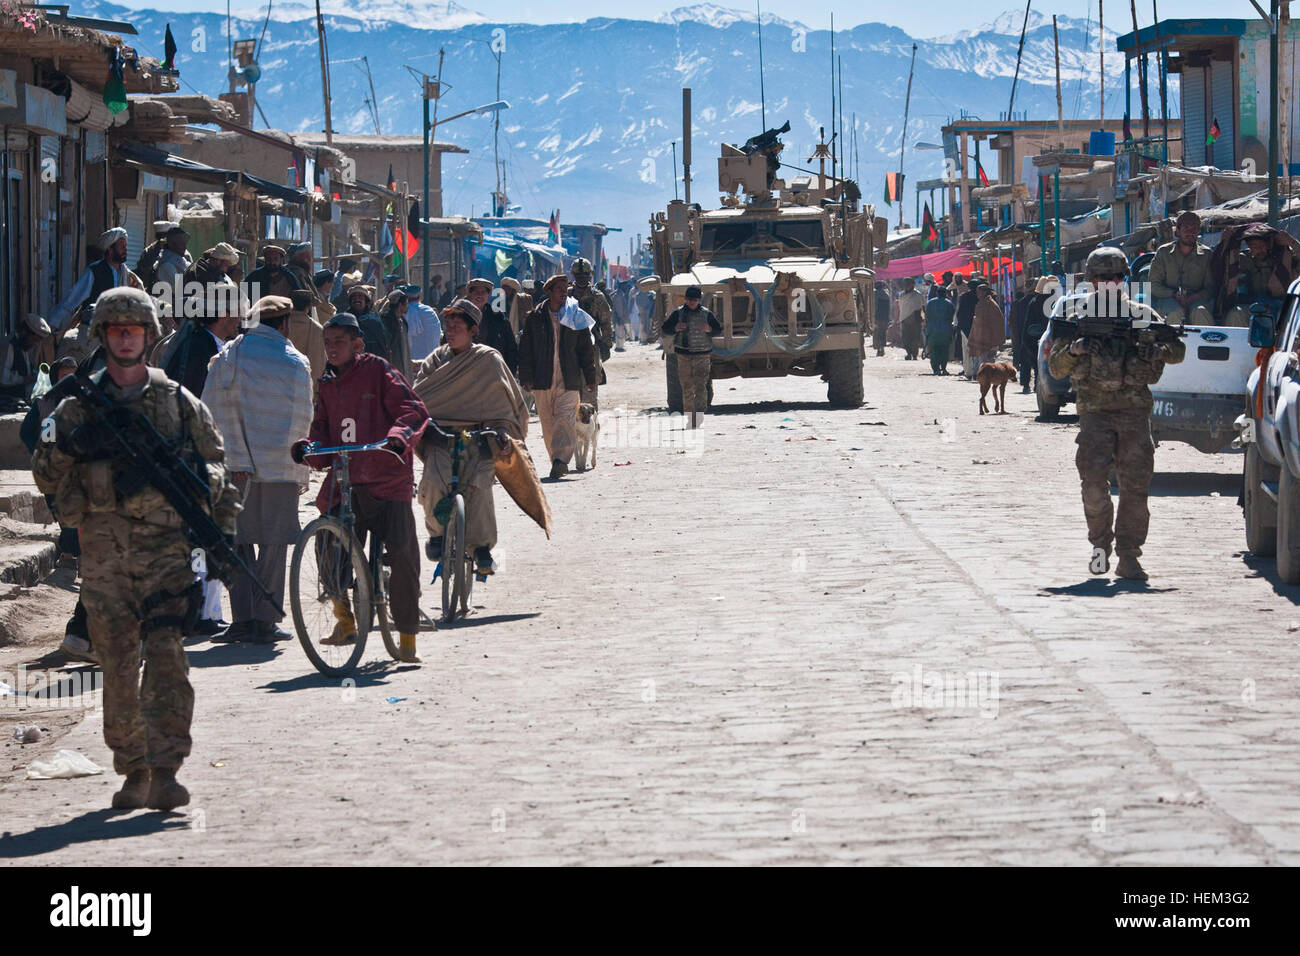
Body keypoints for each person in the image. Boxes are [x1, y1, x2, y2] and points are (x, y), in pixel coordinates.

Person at [32, 287, 240, 810]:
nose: (126, 337)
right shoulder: (76, 407)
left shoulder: (177, 402)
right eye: (117, 330)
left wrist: (216, 525)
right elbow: (43, 475)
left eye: (135, 330)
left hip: (166, 553)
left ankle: (166, 769)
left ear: (149, 337)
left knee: (168, 658)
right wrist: (74, 447)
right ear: (103, 337)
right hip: (103, 558)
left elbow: (217, 465)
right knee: (119, 664)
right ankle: (132, 769)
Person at [291, 313, 428, 663]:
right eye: (327, 342)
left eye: (339, 342)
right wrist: (310, 448)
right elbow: (321, 428)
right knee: (326, 540)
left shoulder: (379, 371)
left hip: (385, 479)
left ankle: (408, 637)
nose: (331, 348)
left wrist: (398, 438)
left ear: (357, 345)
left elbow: (412, 410)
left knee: (402, 553)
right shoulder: (327, 383)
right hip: (344, 480)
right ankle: (345, 618)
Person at [1048, 247, 1186, 581]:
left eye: (1116, 276)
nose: (1110, 283)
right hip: (1094, 414)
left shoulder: (1141, 313)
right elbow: (1054, 367)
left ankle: (1129, 555)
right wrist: (1074, 348)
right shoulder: (1075, 316)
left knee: (1135, 489)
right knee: (1093, 486)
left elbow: (1177, 350)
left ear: (1124, 279)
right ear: (1091, 281)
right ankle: (1099, 548)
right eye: (1102, 277)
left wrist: (1158, 349)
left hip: (1134, 414)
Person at [203, 296, 314, 644]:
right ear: (283, 324)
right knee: (274, 544)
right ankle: (266, 621)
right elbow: (303, 419)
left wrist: (234, 459)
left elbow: (212, 412)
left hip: (236, 469)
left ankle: (242, 621)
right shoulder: (296, 363)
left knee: (237, 543)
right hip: (280, 467)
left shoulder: (227, 358)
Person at [412, 298, 529, 577]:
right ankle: (438, 535)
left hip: (478, 438)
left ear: (473, 330)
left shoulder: (489, 359)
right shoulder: (436, 359)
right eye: (448, 326)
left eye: (457, 326)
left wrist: (502, 433)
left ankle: (481, 549)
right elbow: (418, 398)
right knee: (430, 484)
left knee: (479, 489)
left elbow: (506, 405)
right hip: (440, 437)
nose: (450, 331)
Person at [517, 274, 599, 479]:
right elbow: (525, 349)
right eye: (559, 288)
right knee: (547, 422)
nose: (564, 292)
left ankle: (561, 460)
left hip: (568, 378)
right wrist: (525, 376)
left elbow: (586, 349)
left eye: (565, 288)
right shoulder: (535, 317)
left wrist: (590, 376)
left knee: (565, 419)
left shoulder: (574, 315)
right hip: (542, 379)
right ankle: (556, 458)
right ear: (549, 292)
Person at [49, 228, 144, 333]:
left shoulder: (126, 274)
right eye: (122, 246)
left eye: (125, 246)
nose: (125, 249)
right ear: (110, 249)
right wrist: (52, 324)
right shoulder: (94, 271)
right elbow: (71, 300)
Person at [661, 285, 720, 427]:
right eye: (689, 299)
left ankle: (698, 417)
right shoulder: (678, 314)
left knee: (700, 386)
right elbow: (665, 328)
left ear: (698, 300)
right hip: (683, 355)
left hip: (702, 355)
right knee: (687, 387)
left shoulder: (707, 314)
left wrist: (709, 329)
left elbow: (718, 329)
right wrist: (675, 328)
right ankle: (690, 417)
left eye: (694, 300)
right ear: (686, 300)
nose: (692, 302)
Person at [1222, 222, 1300, 326]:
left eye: (1262, 245)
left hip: (1282, 306)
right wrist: (1225, 241)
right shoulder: (1244, 259)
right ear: (1249, 247)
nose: (1260, 249)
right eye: (1255, 246)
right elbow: (1221, 263)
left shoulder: (1284, 257)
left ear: (1268, 245)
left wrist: (1291, 242)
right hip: (1252, 304)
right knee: (1235, 314)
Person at [1150, 210, 1216, 324]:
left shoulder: (1207, 254)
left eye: (1194, 228)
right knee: (1175, 312)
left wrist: (1194, 298)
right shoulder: (1164, 252)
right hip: (1168, 299)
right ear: (1178, 231)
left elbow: (1211, 288)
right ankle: (1171, 342)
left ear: (1198, 231)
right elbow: (1153, 285)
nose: (1190, 232)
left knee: (1201, 313)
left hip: (1196, 300)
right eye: (1186, 228)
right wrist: (1173, 294)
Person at [570, 258, 613, 405]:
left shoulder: (598, 297)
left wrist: (606, 344)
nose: (582, 278)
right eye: (578, 275)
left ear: (590, 275)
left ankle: (590, 422)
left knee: (590, 385)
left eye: (585, 275)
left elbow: (606, 322)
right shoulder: (566, 295)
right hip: (569, 346)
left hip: (591, 345)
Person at [465, 277, 519, 376]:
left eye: (483, 292)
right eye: (476, 292)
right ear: (469, 294)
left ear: (488, 295)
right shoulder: (458, 318)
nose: (479, 295)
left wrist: (509, 374)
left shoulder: (499, 319)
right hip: (465, 374)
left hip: (493, 374)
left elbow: (511, 349)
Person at [0, 313, 55, 400]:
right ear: (24, 332)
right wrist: (24, 379)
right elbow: (3, 379)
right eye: (34, 340)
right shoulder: (8, 346)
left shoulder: (24, 347)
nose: (35, 344)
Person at [285, 289, 327, 398]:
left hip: (282, 388)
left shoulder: (281, 325)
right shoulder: (318, 329)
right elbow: (319, 365)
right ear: (309, 306)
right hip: (306, 390)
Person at [345, 284, 389, 361]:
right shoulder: (344, 321)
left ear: (366, 301)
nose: (357, 300)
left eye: (360, 297)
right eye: (354, 297)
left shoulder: (375, 322)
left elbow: (383, 346)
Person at [377, 289, 413, 382]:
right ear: (400, 305)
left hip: (403, 365)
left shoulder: (402, 322)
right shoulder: (387, 322)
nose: (407, 306)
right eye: (406, 303)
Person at [968, 281, 1005, 369]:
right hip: (983, 338)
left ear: (984, 292)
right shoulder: (982, 303)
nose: (977, 294)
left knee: (987, 362)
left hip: (989, 339)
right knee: (985, 361)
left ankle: (987, 378)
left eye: (978, 292)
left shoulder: (990, 304)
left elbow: (997, 321)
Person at [403, 284, 442, 363]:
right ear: (419, 297)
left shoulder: (403, 311)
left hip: (408, 360)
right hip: (429, 359)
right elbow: (436, 335)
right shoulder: (429, 311)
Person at [152, 224, 191, 300]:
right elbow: (180, 289)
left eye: (185, 243)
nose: (185, 247)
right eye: (181, 244)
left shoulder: (181, 259)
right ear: (171, 244)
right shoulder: (166, 265)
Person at [923, 286, 955, 375]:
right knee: (944, 350)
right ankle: (944, 368)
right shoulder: (949, 304)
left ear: (937, 293)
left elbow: (927, 316)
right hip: (945, 330)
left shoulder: (930, 303)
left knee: (934, 350)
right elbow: (951, 316)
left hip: (932, 330)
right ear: (945, 294)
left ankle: (936, 369)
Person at [895, 277, 925, 361]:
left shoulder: (918, 294)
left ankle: (914, 354)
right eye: (905, 284)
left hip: (915, 318)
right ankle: (908, 353)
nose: (906, 286)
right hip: (904, 318)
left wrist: (924, 318)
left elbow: (923, 306)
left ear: (912, 284)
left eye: (908, 284)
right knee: (905, 338)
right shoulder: (901, 295)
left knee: (915, 338)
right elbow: (899, 306)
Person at [872, 282, 891, 356]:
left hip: (877, 317)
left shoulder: (874, 293)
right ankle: (882, 348)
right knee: (883, 333)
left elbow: (874, 305)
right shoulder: (887, 293)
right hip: (885, 317)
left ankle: (879, 349)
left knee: (877, 333)